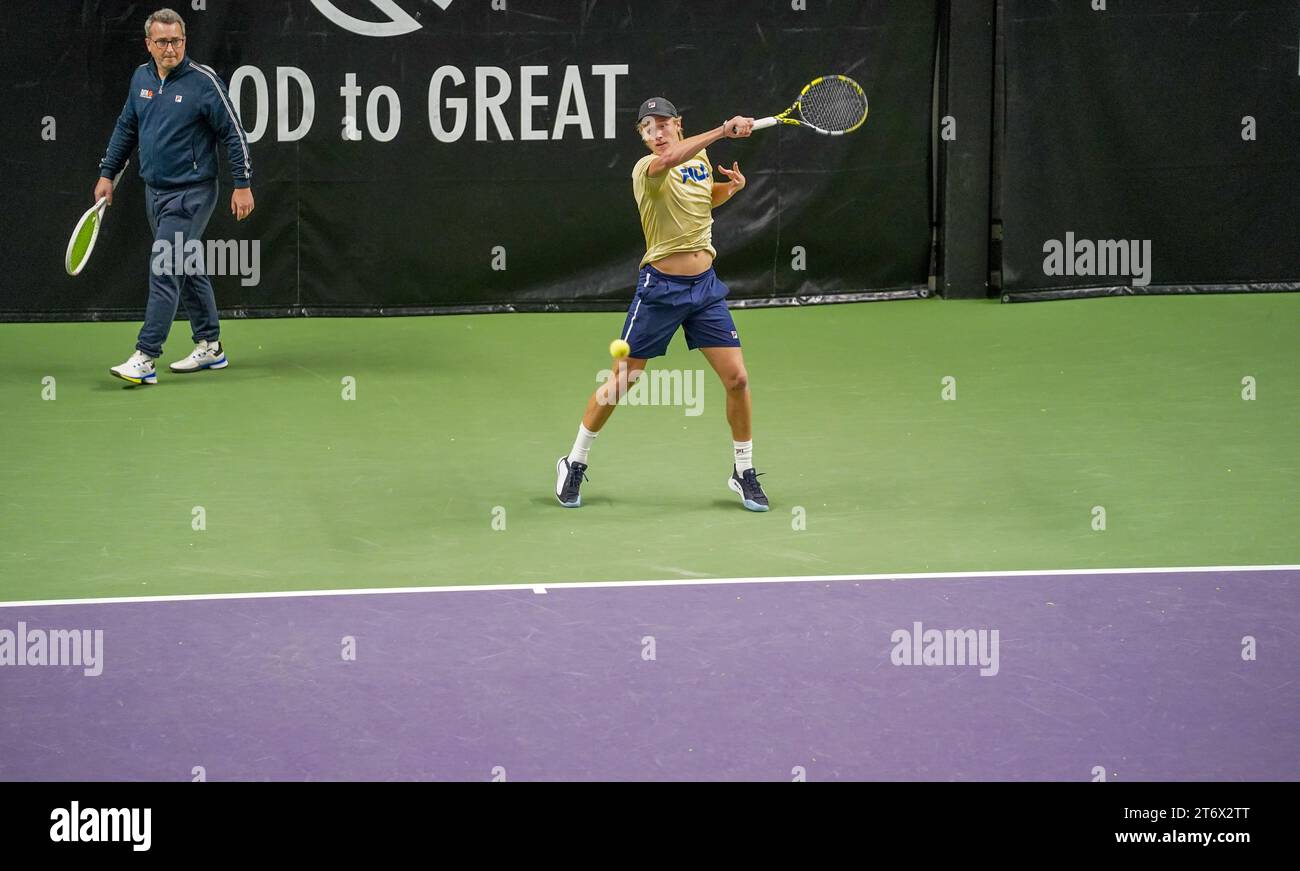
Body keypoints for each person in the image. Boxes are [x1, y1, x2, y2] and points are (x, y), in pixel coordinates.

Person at [555, 97, 770, 511]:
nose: (655, 134)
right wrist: (725, 128)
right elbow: (670, 159)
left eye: (662, 125)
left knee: (738, 380)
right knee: (623, 381)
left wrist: (731, 189)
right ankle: (574, 461)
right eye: (646, 129)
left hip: (705, 289)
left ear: (678, 124)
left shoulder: (700, 158)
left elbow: (703, 200)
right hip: (660, 290)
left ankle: (743, 471)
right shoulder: (646, 168)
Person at [96, 8, 254, 385]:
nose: (171, 49)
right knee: (186, 265)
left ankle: (146, 356)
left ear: (185, 41)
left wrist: (243, 183)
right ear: (149, 44)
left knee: (165, 266)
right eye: (163, 42)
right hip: (155, 192)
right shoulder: (141, 79)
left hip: (193, 193)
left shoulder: (203, 82)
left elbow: (234, 133)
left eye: (177, 41)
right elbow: (126, 128)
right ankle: (210, 346)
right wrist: (107, 174)